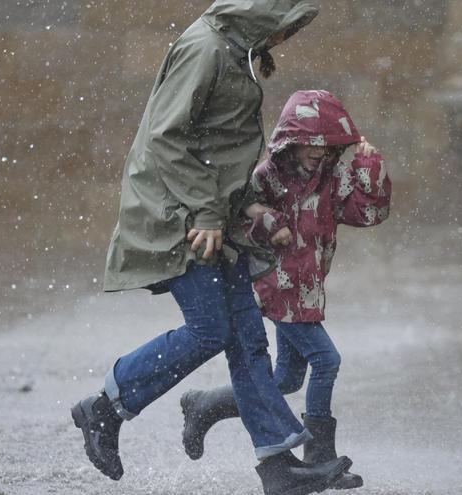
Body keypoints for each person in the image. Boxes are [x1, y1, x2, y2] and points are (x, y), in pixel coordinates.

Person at [70, 3, 353, 494]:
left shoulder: (236, 50)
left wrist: (246, 205)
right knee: (211, 331)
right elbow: (167, 138)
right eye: (287, 27)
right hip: (178, 218)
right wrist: (205, 210)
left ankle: (277, 466)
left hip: (213, 221)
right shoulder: (206, 49)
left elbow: (219, 148)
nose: (285, 39)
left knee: (247, 341)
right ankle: (104, 407)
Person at [180, 90, 392, 490]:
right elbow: (238, 219)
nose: (318, 152)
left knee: (287, 379)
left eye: (326, 145)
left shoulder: (331, 181)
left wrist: (369, 164)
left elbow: (368, 213)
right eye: (310, 142)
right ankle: (321, 457)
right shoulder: (267, 177)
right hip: (275, 287)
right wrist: (269, 223)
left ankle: (205, 405)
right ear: (292, 140)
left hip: (307, 292)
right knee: (326, 360)